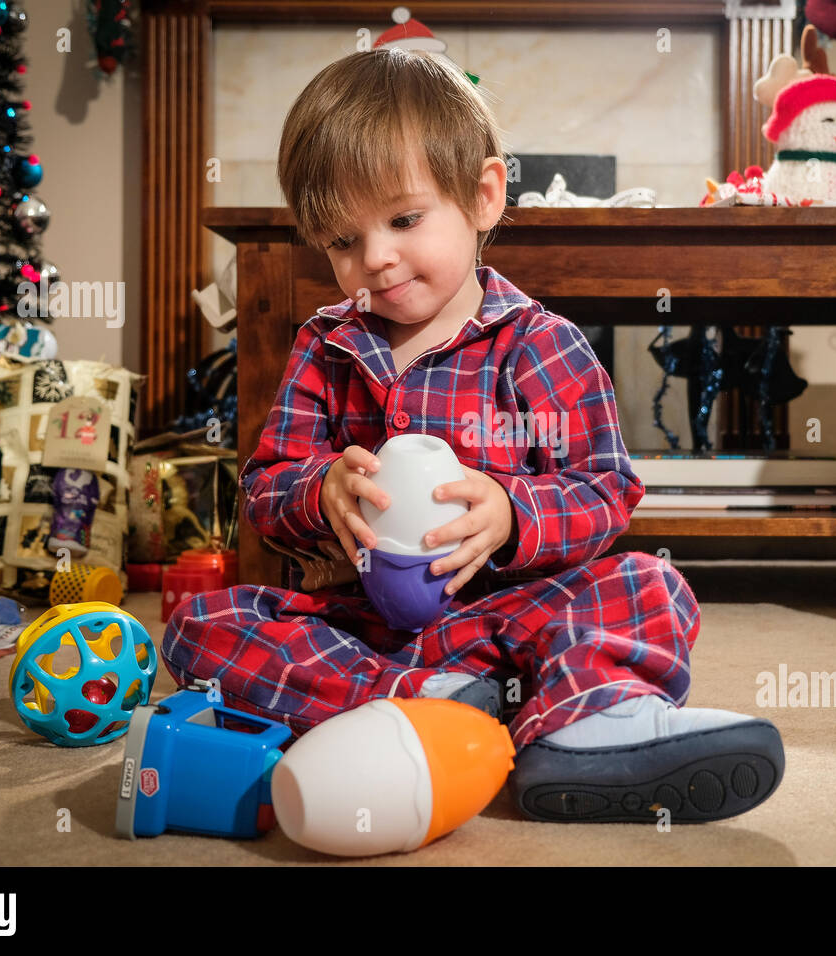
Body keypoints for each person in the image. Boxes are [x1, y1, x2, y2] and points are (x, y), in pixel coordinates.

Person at [163, 47, 784, 824]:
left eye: (403, 219)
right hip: (372, 632)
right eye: (342, 242)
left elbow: (606, 490)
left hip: (520, 613)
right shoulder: (324, 347)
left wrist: (512, 512)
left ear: (484, 196)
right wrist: (318, 493)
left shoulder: (540, 344)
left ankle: (590, 725)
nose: (376, 259)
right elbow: (264, 487)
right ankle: (425, 707)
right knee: (202, 627)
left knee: (643, 585)